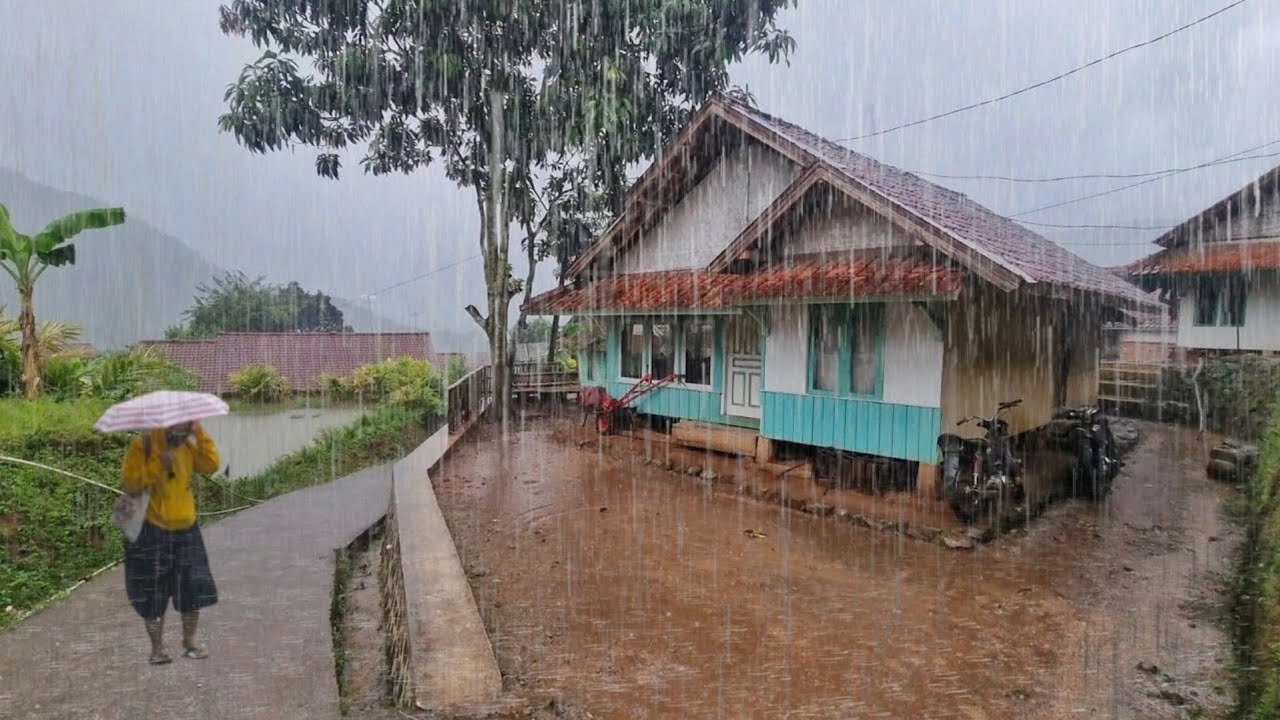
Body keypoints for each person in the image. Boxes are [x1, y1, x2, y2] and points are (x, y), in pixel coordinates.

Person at [121, 420, 220, 664]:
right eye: (178, 425)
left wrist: (200, 434)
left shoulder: (188, 444)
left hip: (187, 528)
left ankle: (190, 642)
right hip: (153, 529)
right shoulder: (142, 446)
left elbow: (211, 464)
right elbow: (131, 483)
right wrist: (157, 464)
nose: (181, 428)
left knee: (192, 588)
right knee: (152, 591)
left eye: (186, 424)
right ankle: (157, 648)